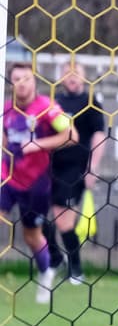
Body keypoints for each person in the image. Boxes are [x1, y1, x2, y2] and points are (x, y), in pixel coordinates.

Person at [1, 62, 78, 304]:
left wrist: (37, 145)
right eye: (16, 79)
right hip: (7, 177)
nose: (21, 84)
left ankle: (46, 270)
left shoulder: (48, 108)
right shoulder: (6, 108)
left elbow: (72, 135)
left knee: (32, 236)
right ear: (10, 83)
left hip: (36, 184)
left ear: (34, 81)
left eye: (26, 78)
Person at [43, 62, 108, 284]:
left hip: (75, 170)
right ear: (61, 77)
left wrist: (93, 167)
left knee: (63, 220)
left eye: (76, 72)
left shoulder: (91, 103)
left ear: (83, 77)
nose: (71, 76)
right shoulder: (54, 103)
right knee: (38, 216)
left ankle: (76, 269)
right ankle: (56, 259)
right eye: (67, 72)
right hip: (50, 168)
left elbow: (99, 136)